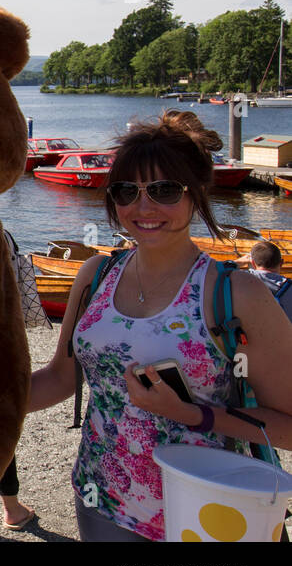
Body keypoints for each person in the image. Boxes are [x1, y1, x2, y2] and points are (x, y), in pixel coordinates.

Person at [28, 110, 292, 541]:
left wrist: (191, 414)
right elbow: (59, 378)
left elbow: (287, 424)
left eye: (164, 190)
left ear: (197, 193)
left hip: (210, 508)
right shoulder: (94, 275)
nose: (143, 207)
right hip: (103, 497)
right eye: (126, 191)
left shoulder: (236, 294)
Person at [246, 240, 292, 322]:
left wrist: (237, 262)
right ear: (281, 263)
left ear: (253, 263)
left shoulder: (242, 281)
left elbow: (219, 270)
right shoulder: (289, 287)